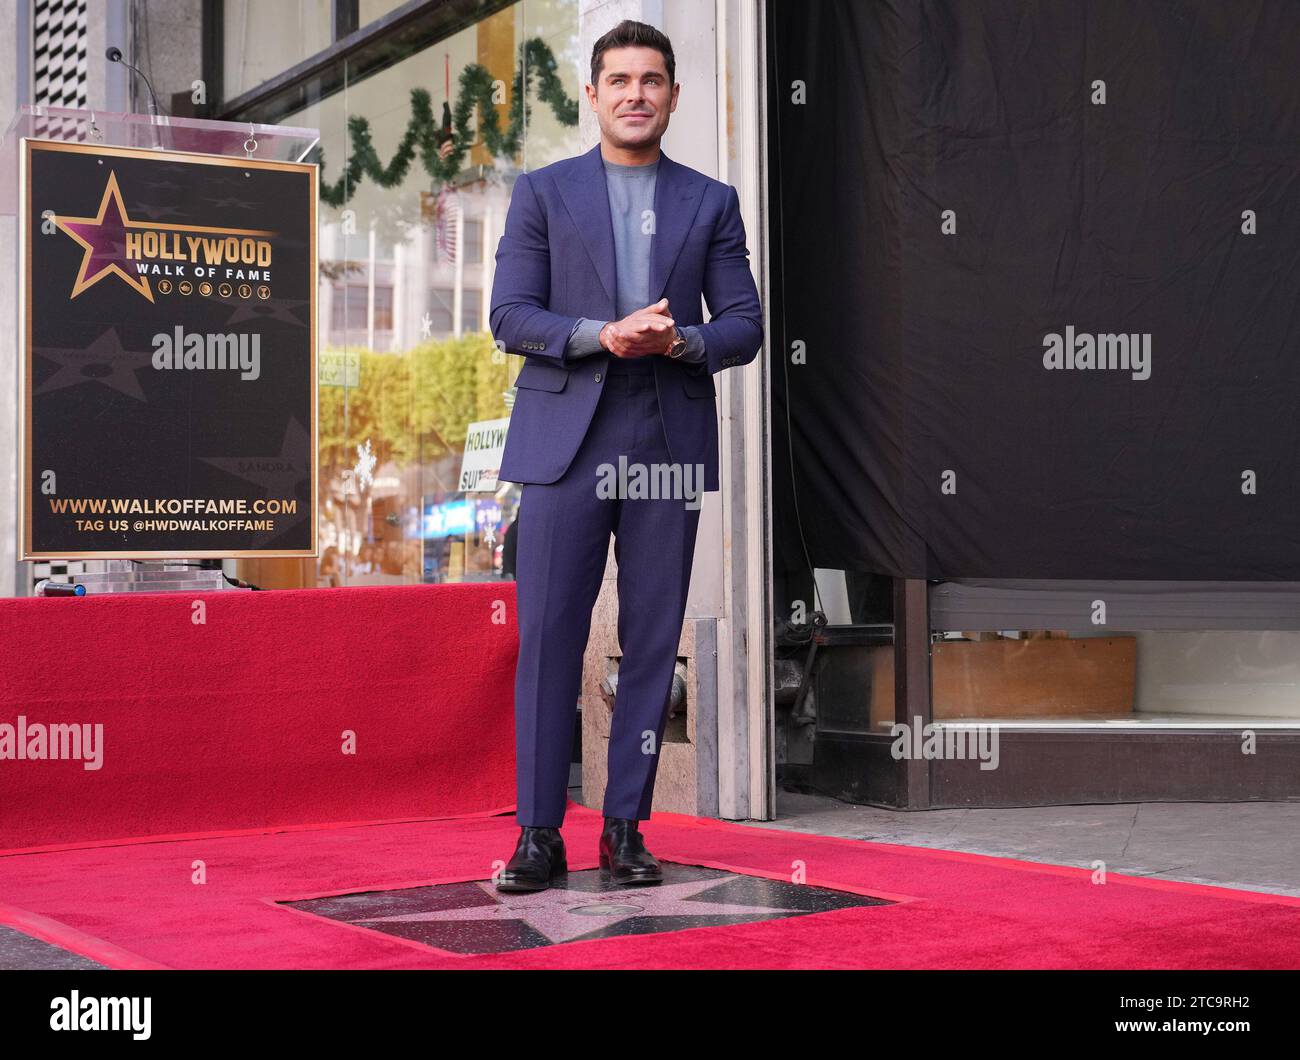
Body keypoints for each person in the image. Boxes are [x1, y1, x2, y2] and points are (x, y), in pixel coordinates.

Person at [489, 19, 763, 891]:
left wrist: (680, 342)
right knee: (549, 639)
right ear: (594, 95)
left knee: (651, 641)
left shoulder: (711, 201)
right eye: (620, 80)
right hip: (565, 446)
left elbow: (746, 325)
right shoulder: (541, 192)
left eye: (652, 80)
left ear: (673, 96)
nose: (636, 94)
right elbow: (509, 315)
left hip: (665, 438)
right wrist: (597, 334)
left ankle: (624, 828)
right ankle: (538, 832)